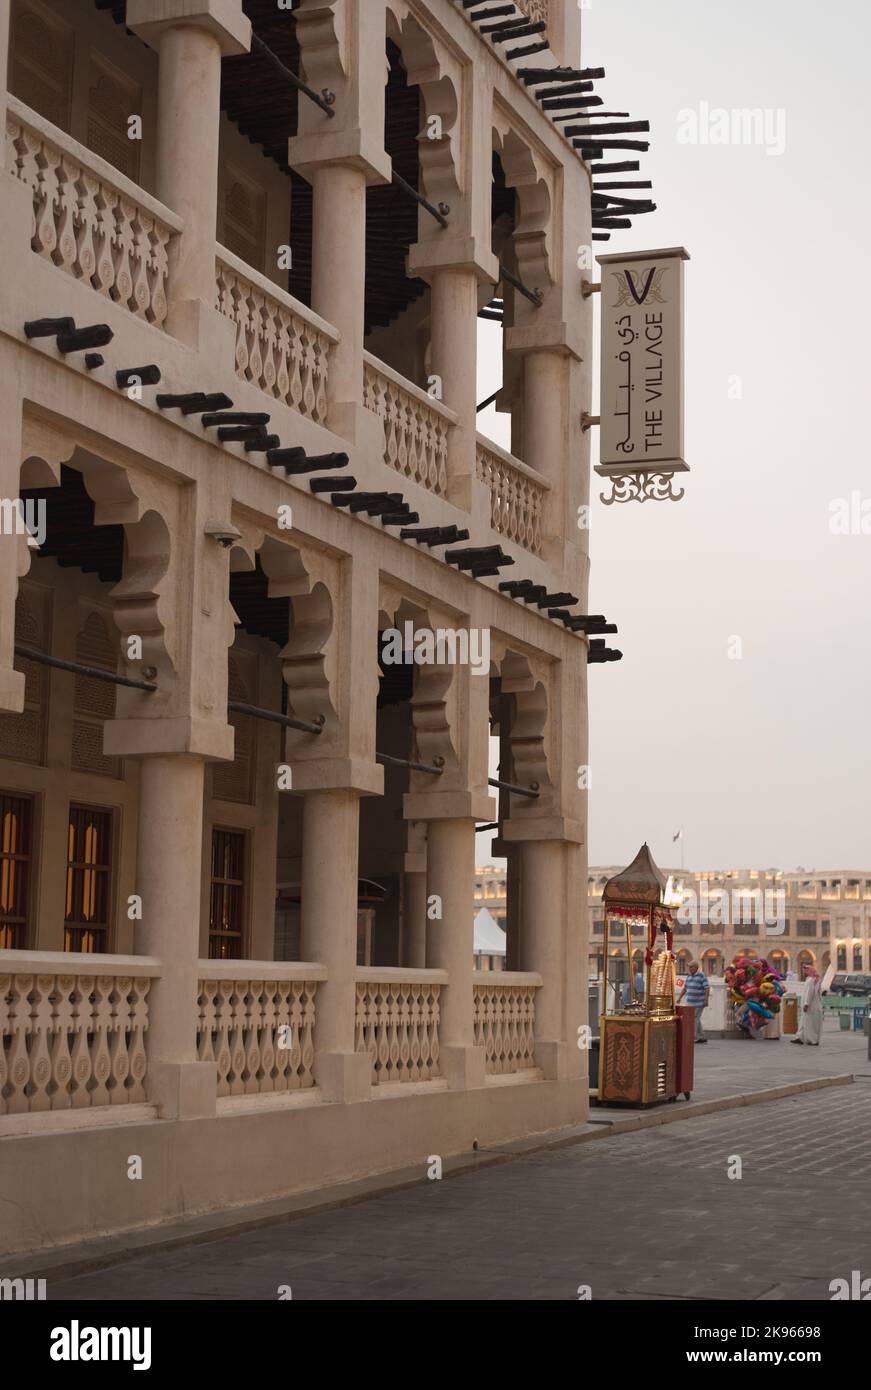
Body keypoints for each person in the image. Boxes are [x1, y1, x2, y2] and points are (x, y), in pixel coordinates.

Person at [678, 960, 710, 1043]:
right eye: (689, 967)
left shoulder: (701, 975)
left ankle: (694, 1037)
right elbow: (685, 988)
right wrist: (679, 997)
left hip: (699, 1002)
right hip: (690, 1002)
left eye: (691, 967)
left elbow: (707, 988)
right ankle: (701, 1036)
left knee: (694, 1019)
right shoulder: (689, 976)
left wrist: (706, 1000)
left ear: (696, 967)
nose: (690, 968)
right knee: (696, 1019)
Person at [791, 966, 823, 1046]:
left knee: (811, 1024)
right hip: (811, 1006)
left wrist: (806, 1004)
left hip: (811, 1006)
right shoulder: (812, 980)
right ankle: (799, 1038)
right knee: (803, 1022)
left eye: (806, 970)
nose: (805, 972)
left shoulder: (812, 981)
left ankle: (812, 1040)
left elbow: (810, 993)